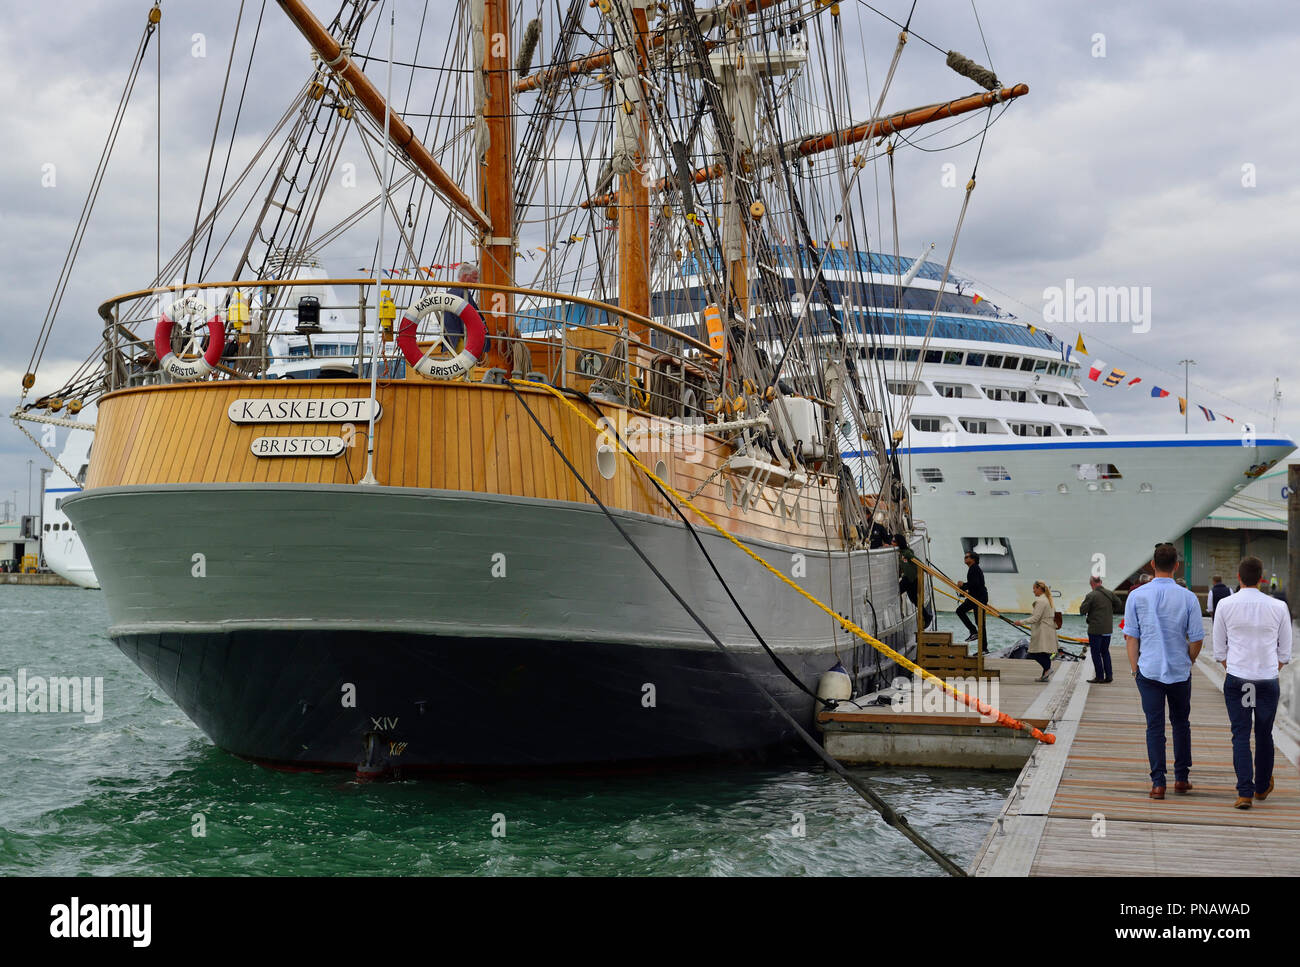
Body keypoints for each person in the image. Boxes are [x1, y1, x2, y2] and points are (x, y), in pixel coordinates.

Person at [1124, 542, 1204, 800]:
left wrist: (1135, 670)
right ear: (1176, 566)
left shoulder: (1136, 595)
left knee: (1154, 727)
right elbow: (1197, 639)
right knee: (1181, 724)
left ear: (1152, 564)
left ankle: (1158, 783)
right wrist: (1188, 661)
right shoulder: (1188, 597)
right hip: (1180, 671)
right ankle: (1181, 778)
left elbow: (1131, 638)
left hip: (1149, 670)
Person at [1212, 556, 1292, 809]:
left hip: (1238, 679)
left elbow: (1219, 651)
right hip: (1267, 680)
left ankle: (1244, 792)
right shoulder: (1278, 607)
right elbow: (1285, 652)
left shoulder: (1225, 605)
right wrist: (1270, 668)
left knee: (1240, 735)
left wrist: (1234, 669)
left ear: (1238, 577)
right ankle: (1261, 786)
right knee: (1264, 734)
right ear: (1261, 578)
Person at [1079, 575, 1123, 683]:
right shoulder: (1110, 593)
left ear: (1091, 583)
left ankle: (1099, 676)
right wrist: (1109, 610)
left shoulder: (1091, 595)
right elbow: (1119, 603)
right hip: (1107, 629)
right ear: (1101, 582)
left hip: (1095, 629)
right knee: (1105, 652)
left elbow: (1082, 610)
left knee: (1096, 653)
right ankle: (1109, 676)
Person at [442, 261, 489, 354]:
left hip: (450, 340)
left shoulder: (450, 292)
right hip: (461, 341)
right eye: (475, 278)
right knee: (466, 367)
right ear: (464, 276)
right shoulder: (464, 294)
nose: (477, 282)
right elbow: (471, 319)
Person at [955, 550, 988, 643]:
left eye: (967, 557)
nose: (965, 558)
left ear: (973, 559)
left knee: (961, 612)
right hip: (975, 597)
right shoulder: (973, 568)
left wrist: (963, 585)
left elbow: (975, 584)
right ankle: (975, 635)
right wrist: (963, 590)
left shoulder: (974, 568)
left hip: (978, 598)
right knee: (980, 623)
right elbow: (974, 585)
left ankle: (975, 633)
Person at [1027, 580, 1056, 681]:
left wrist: (1020, 622)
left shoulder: (1040, 601)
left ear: (1039, 588)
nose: (1033, 591)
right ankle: (1045, 676)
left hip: (1042, 630)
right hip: (1049, 629)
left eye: (1034, 588)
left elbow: (1035, 618)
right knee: (1044, 653)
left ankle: (1048, 669)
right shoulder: (1049, 599)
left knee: (1033, 652)